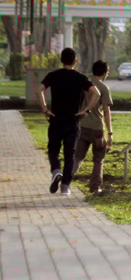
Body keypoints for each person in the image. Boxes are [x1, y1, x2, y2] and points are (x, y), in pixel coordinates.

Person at [36, 48, 99, 196]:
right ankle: (65, 187)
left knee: (53, 150)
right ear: (75, 61)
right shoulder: (80, 77)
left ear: (61, 60)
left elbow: (38, 90)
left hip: (56, 119)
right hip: (73, 120)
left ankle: (56, 171)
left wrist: (45, 109)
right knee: (70, 155)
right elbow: (96, 93)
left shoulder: (53, 76)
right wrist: (87, 110)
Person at [73, 60, 114, 194]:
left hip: (82, 125)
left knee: (78, 157)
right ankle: (95, 187)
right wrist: (110, 133)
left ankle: (66, 178)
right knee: (98, 159)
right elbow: (107, 112)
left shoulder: (84, 85)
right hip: (97, 128)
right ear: (104, 73)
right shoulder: (103, 88)